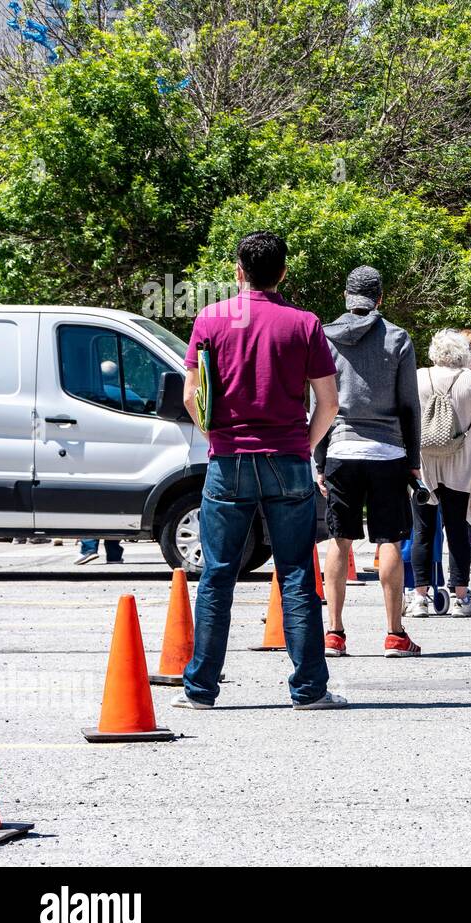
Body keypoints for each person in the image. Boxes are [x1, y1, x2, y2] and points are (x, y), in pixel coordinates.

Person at [176, 231, 346, 710]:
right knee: (295, 573)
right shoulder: (305, 324)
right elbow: (329, 402)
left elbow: (192, 396)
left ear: (238, 271)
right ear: (283, 272)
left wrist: (219, 440)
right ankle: (309, 688)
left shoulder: (211, 317)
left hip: (228, 461)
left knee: (217, 575)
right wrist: (302, 446)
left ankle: (201, 689)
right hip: (287, 459)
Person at [315, 266, 422, 659]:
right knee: (389, 539)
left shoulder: (325, 337)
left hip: (341, 449)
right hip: (388, 452)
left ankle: (334, 634)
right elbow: (410, 404)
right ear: (380, 298)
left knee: (338, 541)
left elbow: (320, 403)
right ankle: (395, 634)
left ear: (347, 296)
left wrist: (320, 459)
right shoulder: (397, 338)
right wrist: (413, 459)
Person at [406, 329, 471, 618]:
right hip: (462, 467)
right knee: (460, 531)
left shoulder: (418, 377)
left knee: (422, 531)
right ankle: (461, 598)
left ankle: (420, 598)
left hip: (425, 466)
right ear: (463, 354)